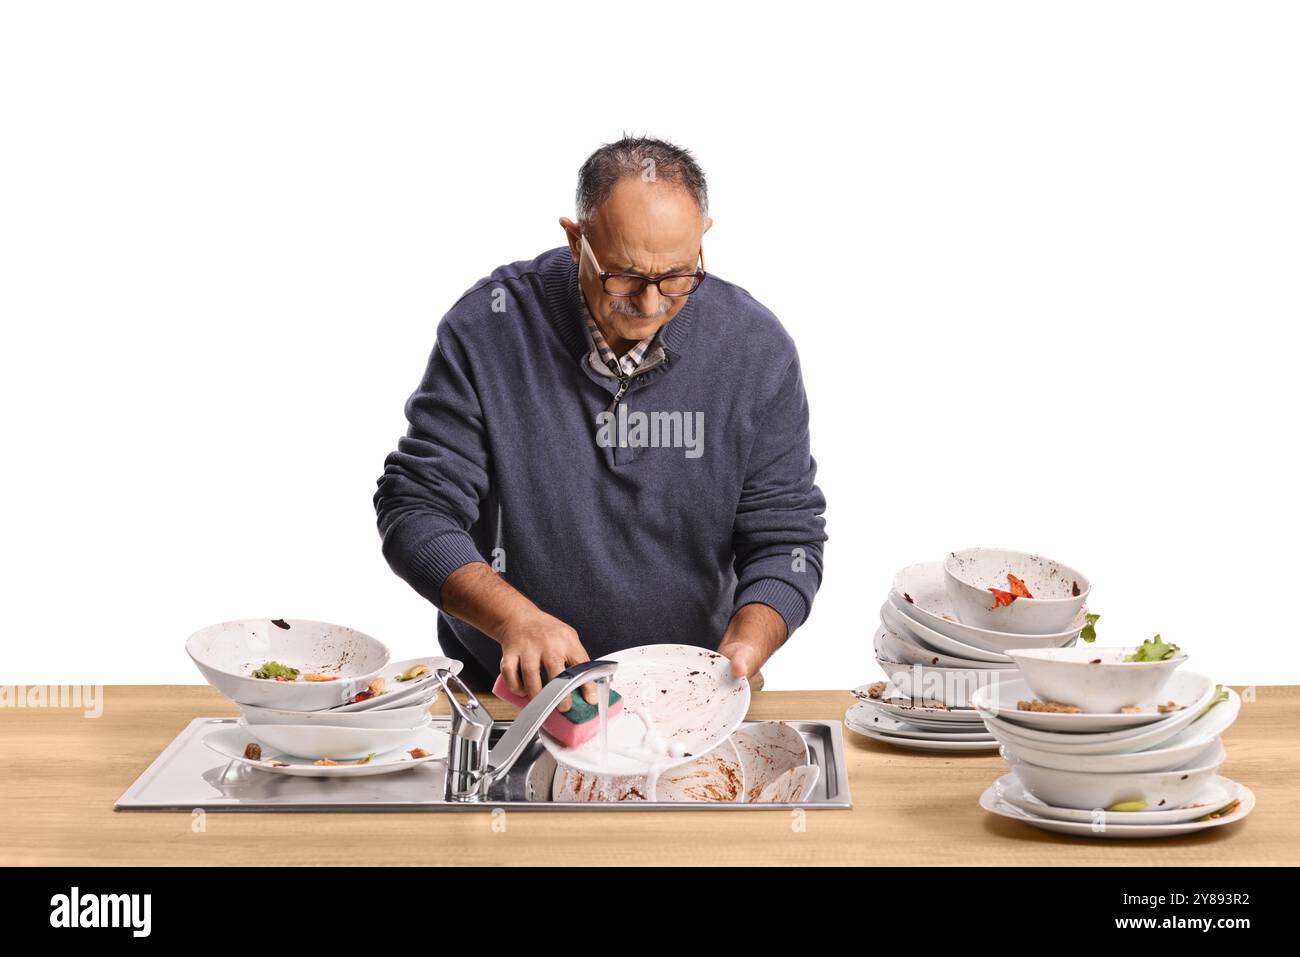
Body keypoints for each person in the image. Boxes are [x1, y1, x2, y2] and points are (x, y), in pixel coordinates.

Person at [374, 136, 826, 709]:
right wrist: (516, 619)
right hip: (512, 699)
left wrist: (747, 641)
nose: (650, 302)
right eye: (624, 277)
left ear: (703, 237)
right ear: (574, 239)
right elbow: (416, 510)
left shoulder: (757, 349)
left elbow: (787, 537)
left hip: (689, 700)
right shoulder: (487, 328)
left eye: (678, 276)